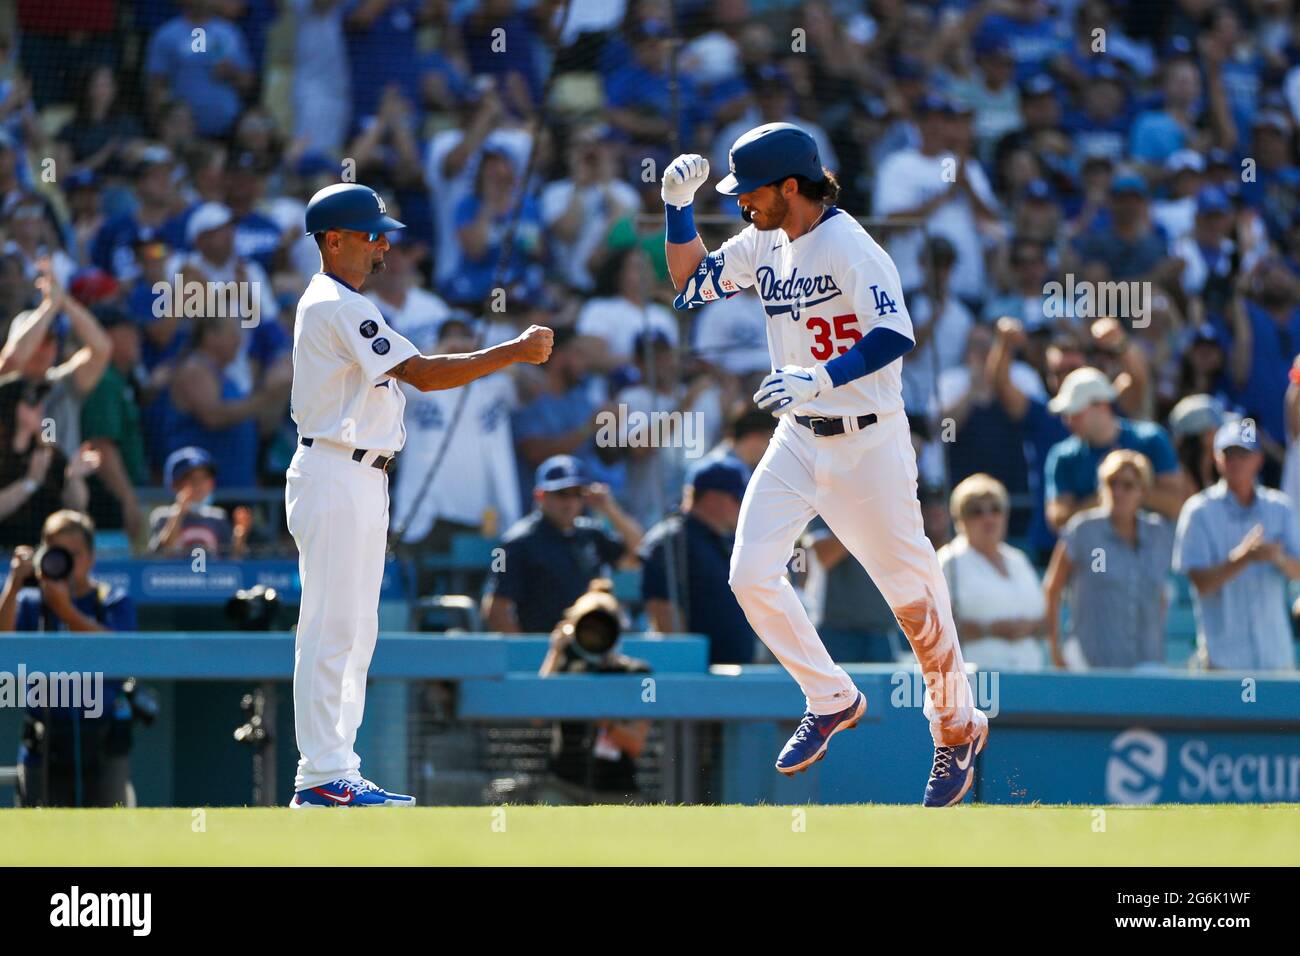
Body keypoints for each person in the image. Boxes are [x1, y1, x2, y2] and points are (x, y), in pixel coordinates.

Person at [662, 123, 989, 806]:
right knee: (750, 574)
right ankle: (830, 695)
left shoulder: (848, 244)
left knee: (915, 601)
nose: (741, 203)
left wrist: (821, 377)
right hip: (800, 438)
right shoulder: (763, 242)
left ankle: (956, 729)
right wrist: (676, 210)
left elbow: (895, 331)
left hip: (868, 442)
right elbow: (691, 286)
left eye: (749, 191)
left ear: (790, 186)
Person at [287, 183, 552, 808]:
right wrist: (512, 351)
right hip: (335, 470)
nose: (383, 243)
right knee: (331, 626)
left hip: (360, 473)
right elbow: (425, 376)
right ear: (333, 240)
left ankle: (335, 770)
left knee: (355, 628)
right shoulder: (334, 302)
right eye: (370, 233)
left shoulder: (345, 303)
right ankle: (320, 773)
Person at [0, 510, 138, 806]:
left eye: (74, 553)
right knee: (37, 838)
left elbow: (119, 651)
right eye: (56, 552)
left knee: (110, 837)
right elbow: (4, 643)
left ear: (90, 557)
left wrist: (66, 611)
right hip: (43, 742)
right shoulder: (28, 601)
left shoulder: (112, 599)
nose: (65, 562)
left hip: (102, 741)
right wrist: (14, 583)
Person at [1173, 419, 1300, 671]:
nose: (1236, 461)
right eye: (1229, 454)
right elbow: (1200, 583)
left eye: (1243, 453)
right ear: (1216, 459)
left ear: (1258, 459)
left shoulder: (1280, 507)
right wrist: (1243, 558)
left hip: (1276, 656)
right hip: (1223, 661)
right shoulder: (1198, 511)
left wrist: (1278, 559)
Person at [1043, 450, 1175, 670]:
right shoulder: (1083, 530)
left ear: (1143, 491)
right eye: (1112, 483)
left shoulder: (1158, 532)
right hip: (1091, 663)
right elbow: (1052, 589)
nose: (1118, 491)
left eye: (1128, 485)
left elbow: (1161, 594)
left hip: (1148, 663)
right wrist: (1055, 652)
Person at [482, 454, 642, 634]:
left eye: (577, 493)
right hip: (542, 647)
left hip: (589, 645)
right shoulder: (512, 543)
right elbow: (495, 608)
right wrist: (524, 653)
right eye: (561, 494)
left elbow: (637, 554)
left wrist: (610, 509)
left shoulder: (591, 533)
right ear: (540, 495)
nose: (570, 502)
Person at [537, 580, 650, 805]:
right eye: (588, 627)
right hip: (563, 784)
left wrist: (604, 721)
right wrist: (555, 652)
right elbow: (537, 716)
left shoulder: (635, 673)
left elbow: (636, 744)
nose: (595, 635)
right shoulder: (564, 668)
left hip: (617, 790)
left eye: (603, 628)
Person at [640, 458, 757, 665]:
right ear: (713, 498)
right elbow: (663, 611)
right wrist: (687, 673)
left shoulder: (728, 539)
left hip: (737, 676)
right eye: (739, 499)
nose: (746, 508)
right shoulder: (671, 540)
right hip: (699, 680)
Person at [1044, 366, 1185, 531]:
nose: (1068, 421)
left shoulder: (1151, 439)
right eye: (1066, 415)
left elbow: (1177, 504)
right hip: (1096, 554)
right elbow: (1058, 520)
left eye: (1076, 413)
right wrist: (1111, 492)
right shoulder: (1062, 456)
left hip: (1150, 552)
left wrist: (1130, 488)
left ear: (1102, 405)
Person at [938, 475, 1048, 672]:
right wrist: (991, 630)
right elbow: (937, 629)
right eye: (976, 511)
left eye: (995, 509)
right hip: (977, 682)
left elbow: (1043, 620)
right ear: (959, 519)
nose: (988, 518)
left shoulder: (1019, 560)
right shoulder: (948, 561)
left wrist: (1027, 628)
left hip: (1030, 677)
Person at [148, 446, 250, 558]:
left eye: (204, 478)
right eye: (192, 479)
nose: (199, 485)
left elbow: (230, 565)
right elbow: (161, 555)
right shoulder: (162, 516)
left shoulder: (218, 518)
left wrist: (240, 536)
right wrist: (179, 513)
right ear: (175, 484)